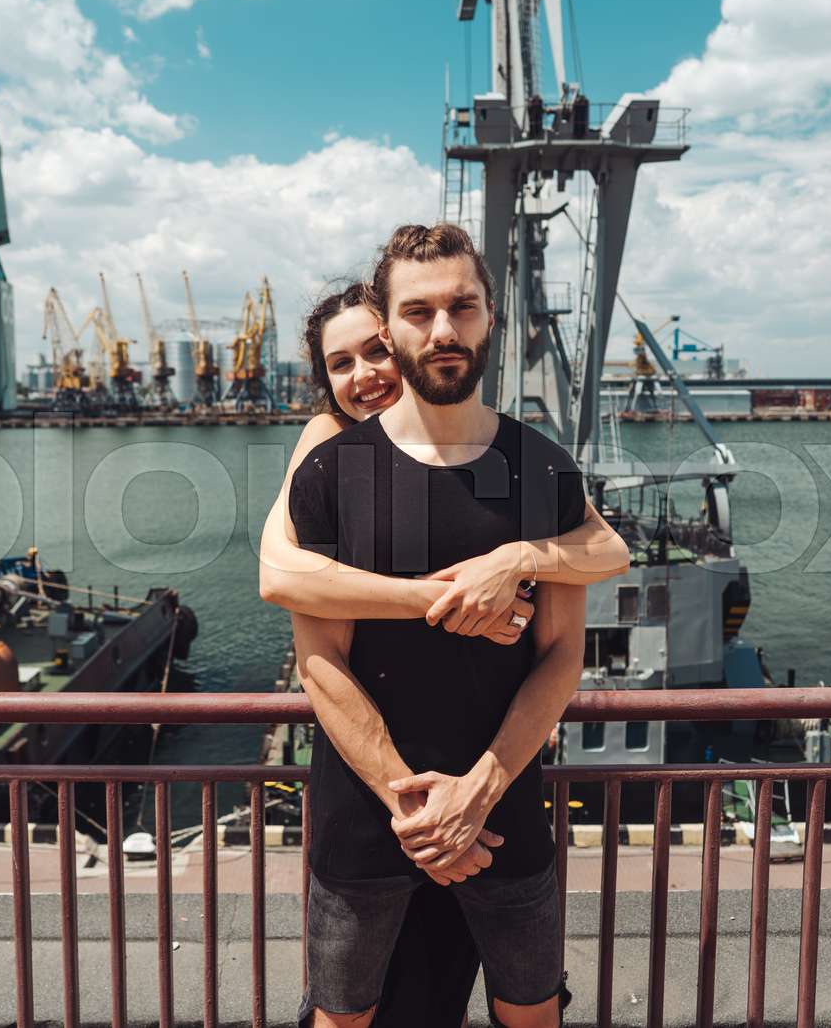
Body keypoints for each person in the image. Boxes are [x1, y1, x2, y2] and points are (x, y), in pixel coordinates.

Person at [258, 277, 630, 1026]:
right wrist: (448, 599)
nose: (364, 373)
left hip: (483, 807)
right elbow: (280, 577)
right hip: (384, 807)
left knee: (458, 988)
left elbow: (603, 546)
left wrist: (516, 559)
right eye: (341, 363)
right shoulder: (330, 452)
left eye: (374, 349)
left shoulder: (516, 458)